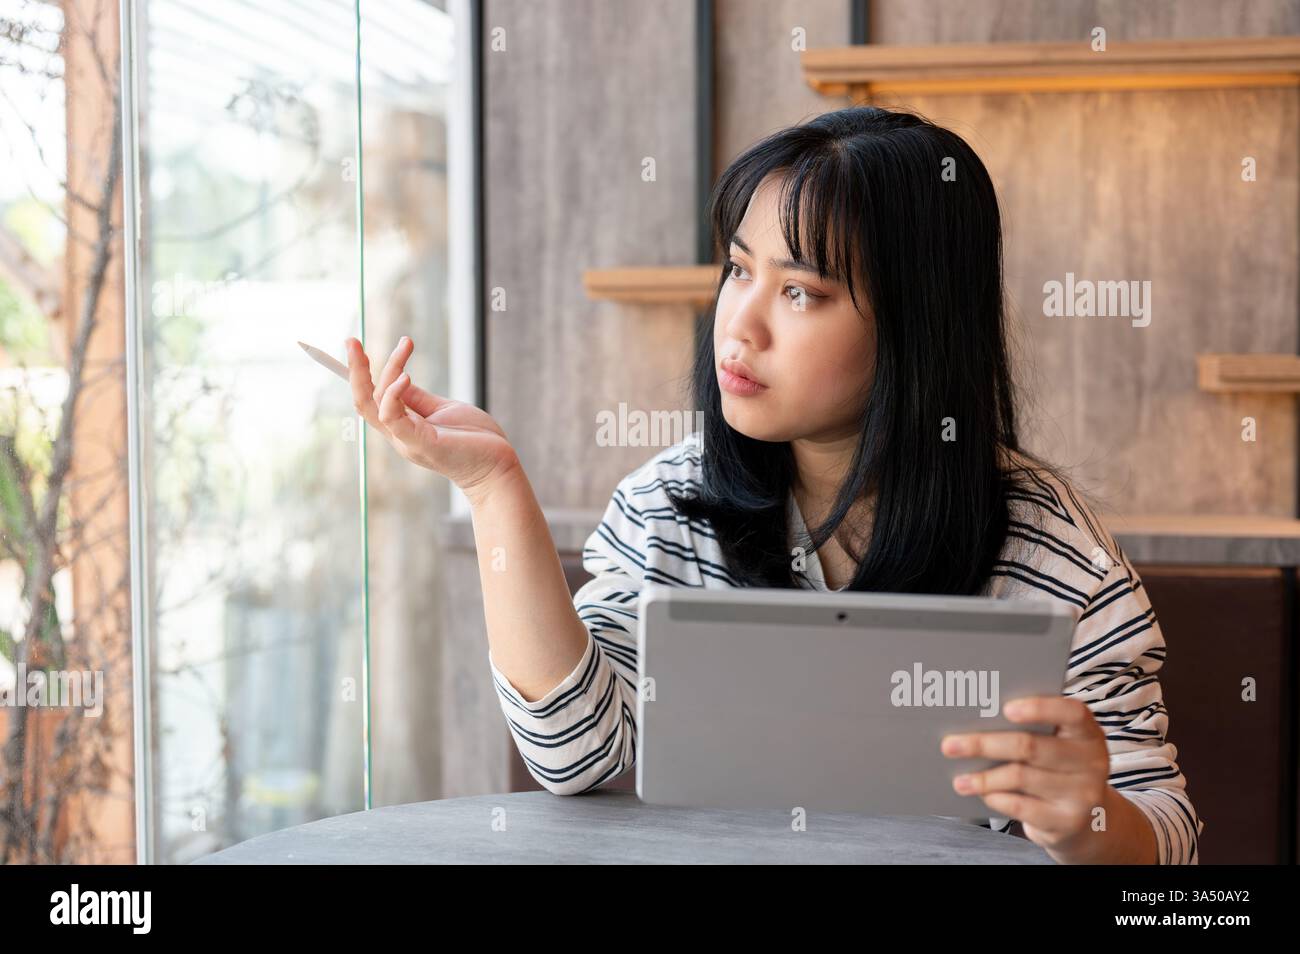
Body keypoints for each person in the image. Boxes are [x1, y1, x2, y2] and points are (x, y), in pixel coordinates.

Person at [345, 104, 1202, 865]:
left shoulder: (1053, 550)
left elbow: (1169, 842)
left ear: (915, 326)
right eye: (738, 269)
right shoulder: (670, 502)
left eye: (799, 291)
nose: (739, 323)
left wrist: (1087, 818)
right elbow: (575, 753)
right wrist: (495, 490)